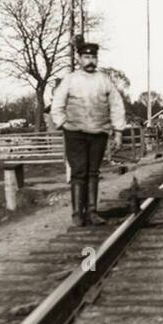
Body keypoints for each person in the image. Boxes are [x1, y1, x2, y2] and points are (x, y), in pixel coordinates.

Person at [50, 41, 125, 227]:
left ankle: (92, 211)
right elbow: (57, 104)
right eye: (86, 57)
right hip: (75, 133)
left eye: (93, 57)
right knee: (79, 171)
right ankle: (77, 214)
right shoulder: (70, 79)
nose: (90, 61)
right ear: (79, 59)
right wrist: (62, 124)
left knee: (93, 172)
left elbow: (117, 105)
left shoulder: (104, 80)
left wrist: (118, 132)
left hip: (99, 132)